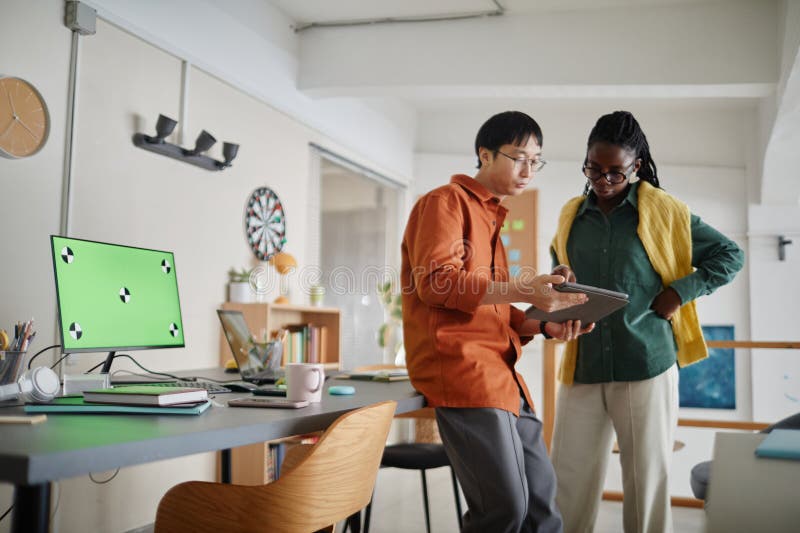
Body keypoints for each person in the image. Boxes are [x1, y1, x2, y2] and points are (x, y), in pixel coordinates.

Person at [549, 111, 744, 533]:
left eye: (615, 172)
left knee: (645, 483)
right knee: (566, 482)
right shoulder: (571, 216)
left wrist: (680, 292)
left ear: (636, 166)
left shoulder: (665, 211)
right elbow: (558, 268)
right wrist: (558, 280)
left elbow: (730, 255)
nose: (603, 180)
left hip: (645, 364)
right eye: (593, 169)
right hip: (583, 365)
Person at [401, 110, 594, 533]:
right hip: (465, 374)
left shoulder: (492, 219)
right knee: (505, 510)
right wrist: (526, 289)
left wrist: (546, 325)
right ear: (484, 154)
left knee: (542, 508)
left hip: (504, 377)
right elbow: (437, 283)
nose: (528, 171)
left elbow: (497, 312)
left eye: (536, 161)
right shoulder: (444, 203)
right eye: (519, 158)